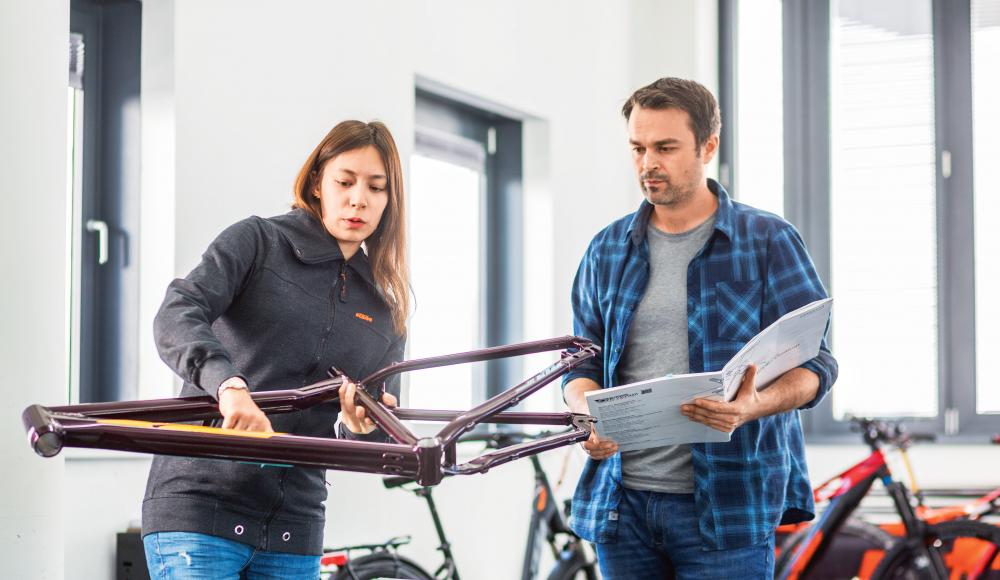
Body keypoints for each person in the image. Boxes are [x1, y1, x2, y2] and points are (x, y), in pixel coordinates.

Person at [562, 78, 838, 578]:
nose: (648, 164)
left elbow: (818, 365)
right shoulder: (605, 250)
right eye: (638, 148)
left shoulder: (768, 241)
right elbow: (579, 362)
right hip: (623, 511)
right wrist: (584, 413)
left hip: (728, 510)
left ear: (708, 146)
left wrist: (755, 404)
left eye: (665, 148)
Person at [142, 120, 409, 578]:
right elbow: (177, 312)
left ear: (390, 201)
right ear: (317, 184)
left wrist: (361, 426)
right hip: (199, 510)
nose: (358, 199)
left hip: (295, 530)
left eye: (376, 188)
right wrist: (228, 387)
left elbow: (380, 440)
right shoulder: (258, 242)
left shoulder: (384, 310)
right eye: (345, 182)